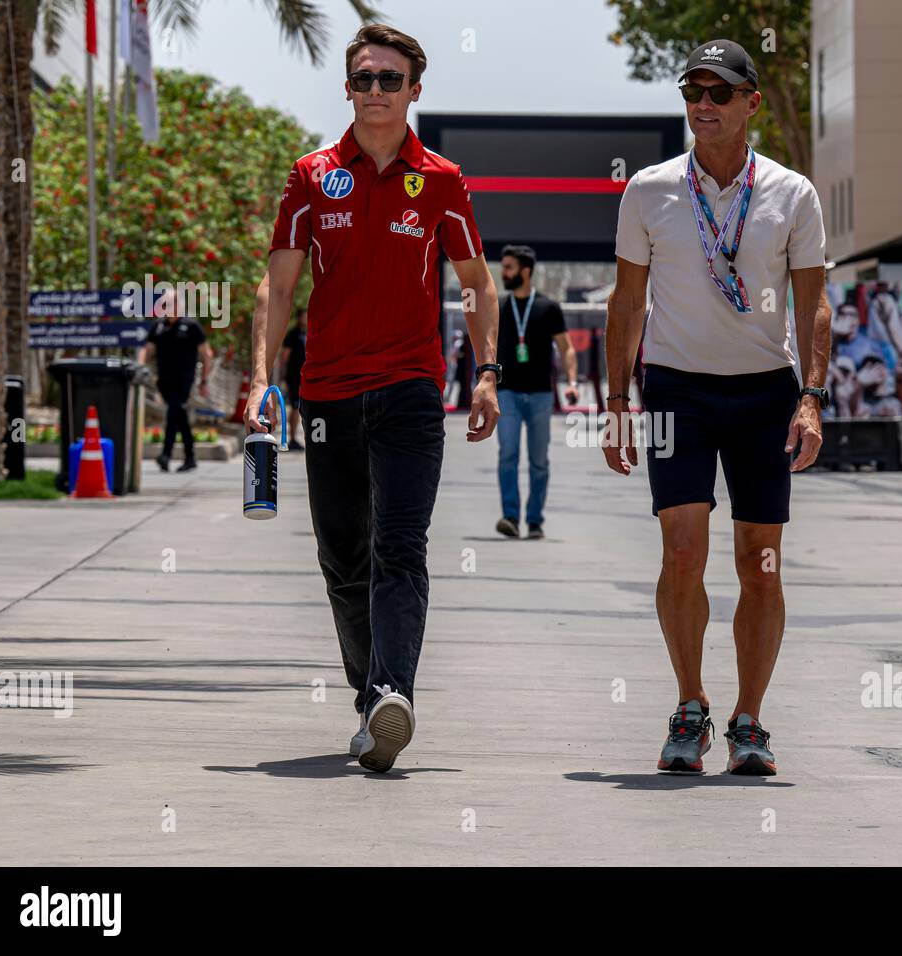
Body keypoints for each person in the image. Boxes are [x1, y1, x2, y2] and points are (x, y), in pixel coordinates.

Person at [247, 23, 501, 774]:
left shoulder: (443, 180)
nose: (377, 91)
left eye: (391, 79)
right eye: (364, 78)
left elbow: (478, 284)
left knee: (401, 548)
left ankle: (394, 692)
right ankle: (372, 703)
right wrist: (264, 376)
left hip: (411, 394)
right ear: (348, 87)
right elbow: (279, 284)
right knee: (341, 558)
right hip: (326, 397)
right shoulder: (311, 175)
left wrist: (486, 373)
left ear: (414, 92)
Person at [604, 39, 830, 776]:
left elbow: (814, 303)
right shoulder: (649, 190)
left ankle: (750, 722)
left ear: (751, 104)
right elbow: (627, 301)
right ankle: (691, 705)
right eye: (693, 91)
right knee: (682, 551)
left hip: (766, 391)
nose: (704, 103)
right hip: (676, 390)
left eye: (721, 92)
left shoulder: (793, 193)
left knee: (759, 564)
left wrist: (811, 398)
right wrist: (616, 403)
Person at [493, 244, 579, 540]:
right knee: (508, 455)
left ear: (525, 271)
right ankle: (511, 517)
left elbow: (567, 349)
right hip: (507, 393)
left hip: (541, 394)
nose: (503, 273)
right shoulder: (499, 306)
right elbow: (487, 346)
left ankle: (535, 520)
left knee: (539, 460)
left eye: (509, 268)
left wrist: (571, 382)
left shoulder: (548, 307)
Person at [137, 288, 212, 473]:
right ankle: (190, 456)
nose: (166, 308)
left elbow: (206, 354)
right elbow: (147, 349)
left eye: (169, 304)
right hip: (164, 380)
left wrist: (204, 381)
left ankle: (166, 454)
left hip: (185, 379)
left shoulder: (191, 326)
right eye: (164, 305)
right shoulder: (159, 326)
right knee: (179, 414)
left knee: (174, 410)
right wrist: (139, 367)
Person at [277, 307, 307, 451]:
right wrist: (283, 374)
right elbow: (285, 356)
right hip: (294, 376)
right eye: (304, 316)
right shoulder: (293, 334)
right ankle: (292, 438)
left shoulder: (309, 333)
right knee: (295, 407)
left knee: (302, 407)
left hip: (307, 377)